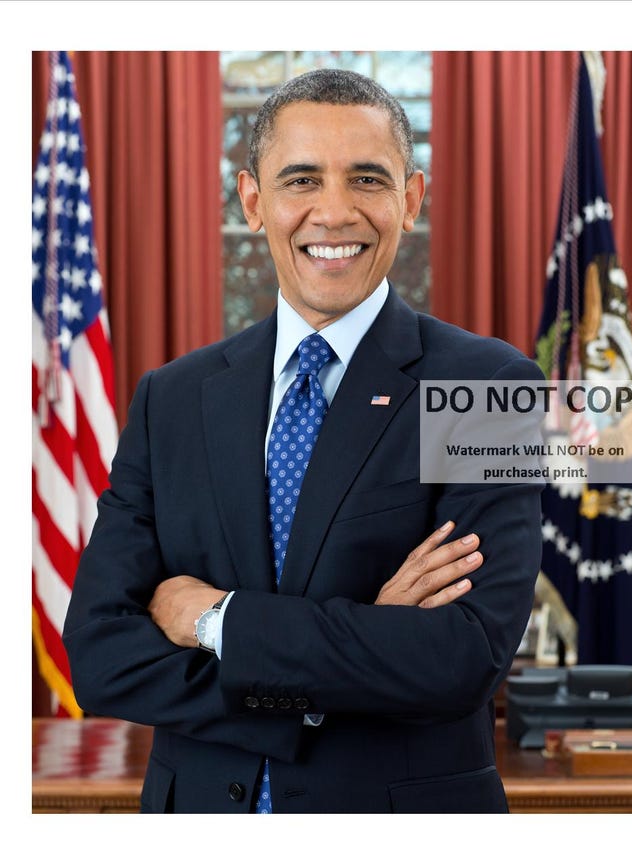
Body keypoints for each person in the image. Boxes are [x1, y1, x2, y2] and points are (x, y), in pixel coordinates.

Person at [63, 68, 543, 813]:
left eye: (367, 180)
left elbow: (463, 659)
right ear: (254, 201)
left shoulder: (493, 387)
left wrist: (216, 621)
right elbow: (99, 658)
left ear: (410, 200)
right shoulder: (173, 398)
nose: (334, 211)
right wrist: (352, 657)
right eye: (301, 180)